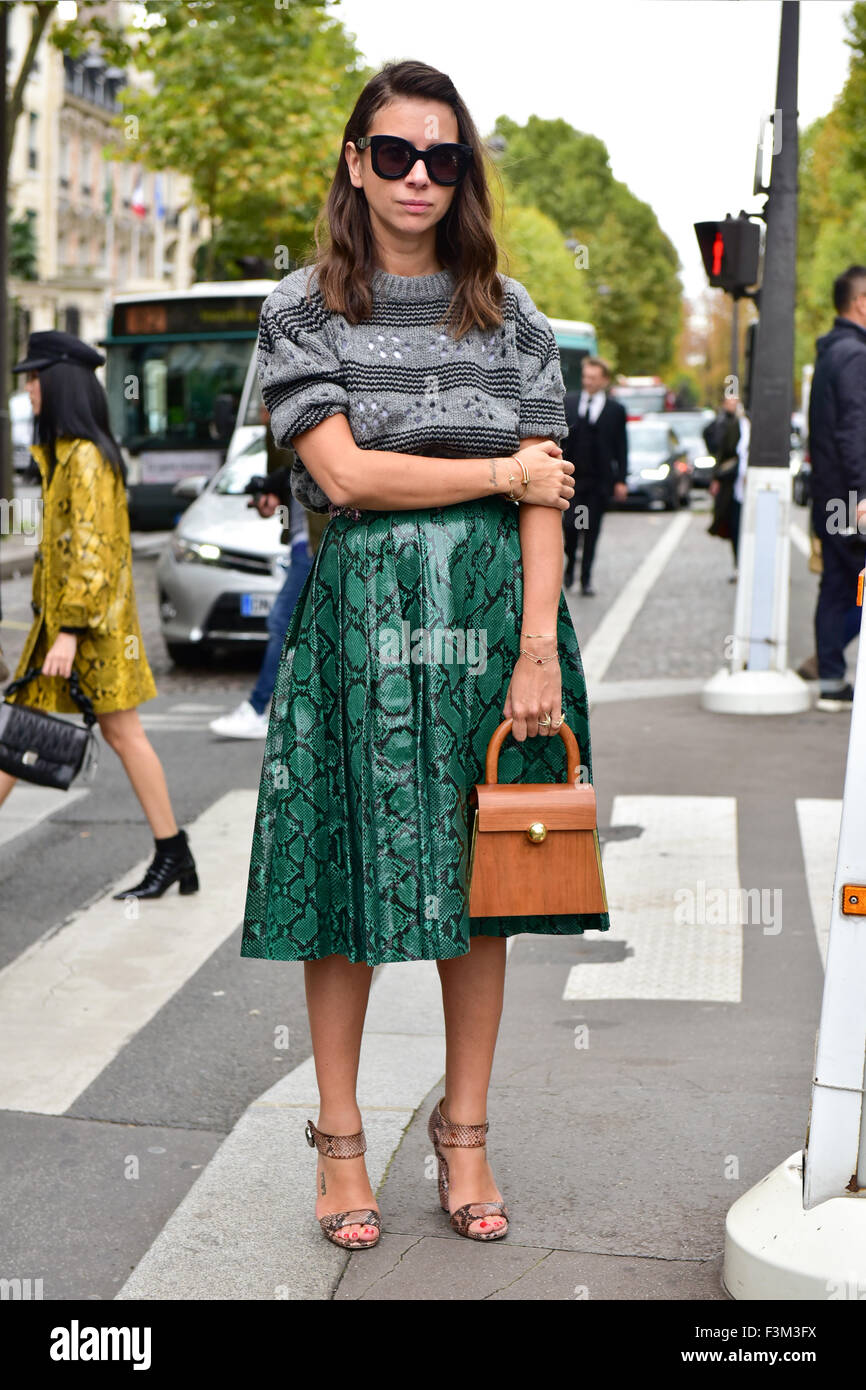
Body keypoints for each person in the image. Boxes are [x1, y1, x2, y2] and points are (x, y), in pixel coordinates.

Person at [239, 59, 610, 1252]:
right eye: (392, 154)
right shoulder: (300, 310)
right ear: (354, 161)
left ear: (463, 174)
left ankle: (466, 1134)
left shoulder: (518, 317)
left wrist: (540, 645)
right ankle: (339, 1144)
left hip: (498, 621)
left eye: (440, 159)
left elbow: (549, 501)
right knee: (344, 885)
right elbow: (340, 473)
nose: (415, 178)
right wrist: (498, 471)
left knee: (483, 888)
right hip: (360, 619)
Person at [0, 330, 198, 899]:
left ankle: (173, 851)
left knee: (116, 734)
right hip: (69, 625)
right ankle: (175, 852)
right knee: (29, 735)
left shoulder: (84, 460)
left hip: (87, 630)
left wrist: (67, 632)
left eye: (36, 378)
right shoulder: (68, 455)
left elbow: (90, 552)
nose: (30, 389)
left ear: (60, 381)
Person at [209, 414, 317, 740]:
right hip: (301, 542)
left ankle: (259, 709)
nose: (262, 409)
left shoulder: (308, 411)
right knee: (306, 630)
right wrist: (272, 495)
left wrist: (277, 483)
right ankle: (301, 714)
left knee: (282, 622)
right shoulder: (277, 427)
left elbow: (317, 468)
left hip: (317, 542)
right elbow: (289, 481)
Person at [806, 264, 866, 711]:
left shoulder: (831, 352)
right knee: (846, 586)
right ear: (861, 303)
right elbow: (855, 430)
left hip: (833, 494)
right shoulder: (855, 355)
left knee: (838, 586)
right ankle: (828, 670)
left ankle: (829, 675)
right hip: (851, 496)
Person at [561, 357, 627, 595]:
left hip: (599, 482)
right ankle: (569, 568)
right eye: (585, 377)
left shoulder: (616, 410)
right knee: (571, 526)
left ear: (604, 380)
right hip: (573, 479)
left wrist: (621, 479)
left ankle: (585, 578)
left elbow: (621, 445)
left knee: (591, 530)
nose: (588, 381)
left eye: (593, 378)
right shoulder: (569, 402)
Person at [707, 394, 743, 576]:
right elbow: (719, 450)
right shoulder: (725, 423)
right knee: (734, 525)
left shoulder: (739, 423)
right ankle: (738, 564)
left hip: (739, 484)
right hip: (733, 484)